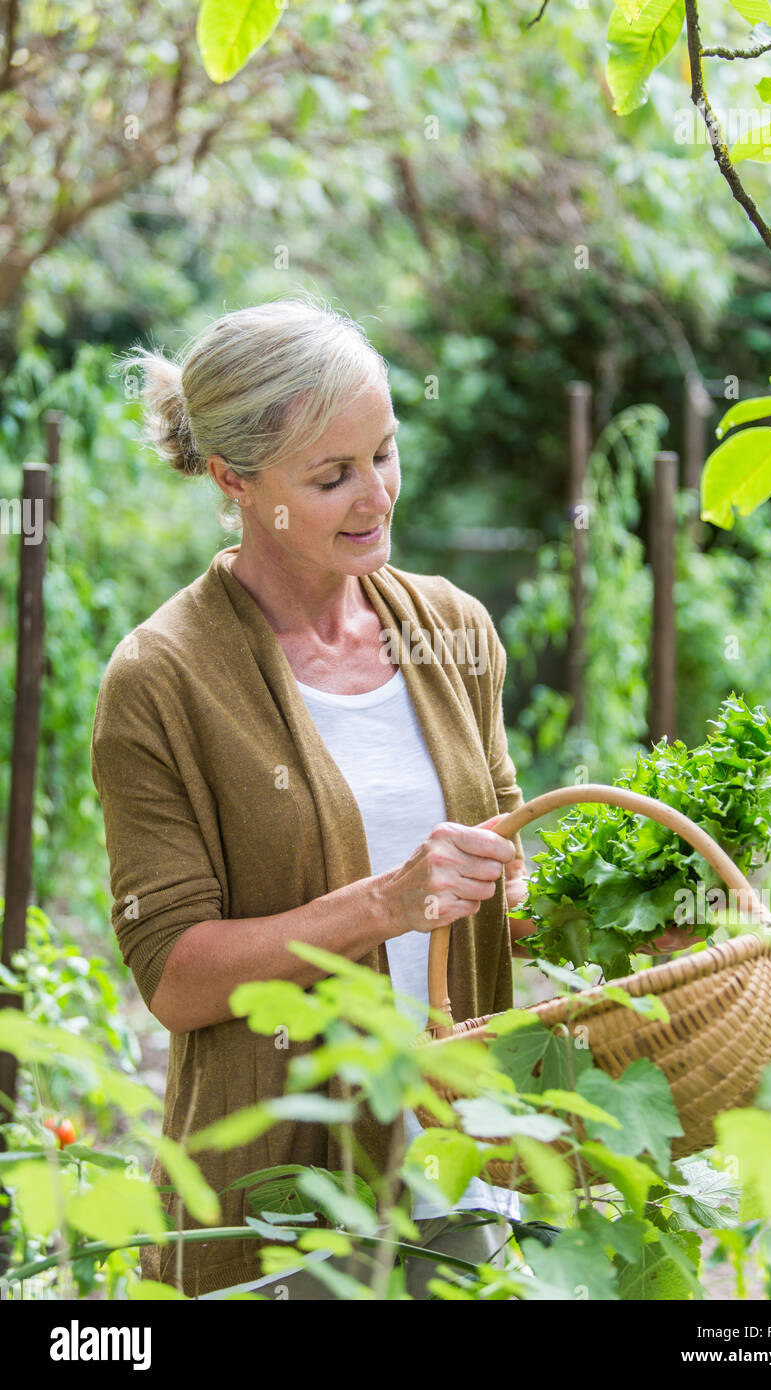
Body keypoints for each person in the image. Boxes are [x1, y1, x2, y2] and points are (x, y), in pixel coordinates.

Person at [91, 295, 533, 1299]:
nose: (375, 495)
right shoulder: (160, 681)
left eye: (383, 452)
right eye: (330, 476)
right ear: (232, 481)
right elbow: (176, 976)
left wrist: (628, 922)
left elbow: (502, 881)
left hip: (460, 1176)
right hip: (282, 1200)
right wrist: (382, 904)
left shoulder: (450, 628)